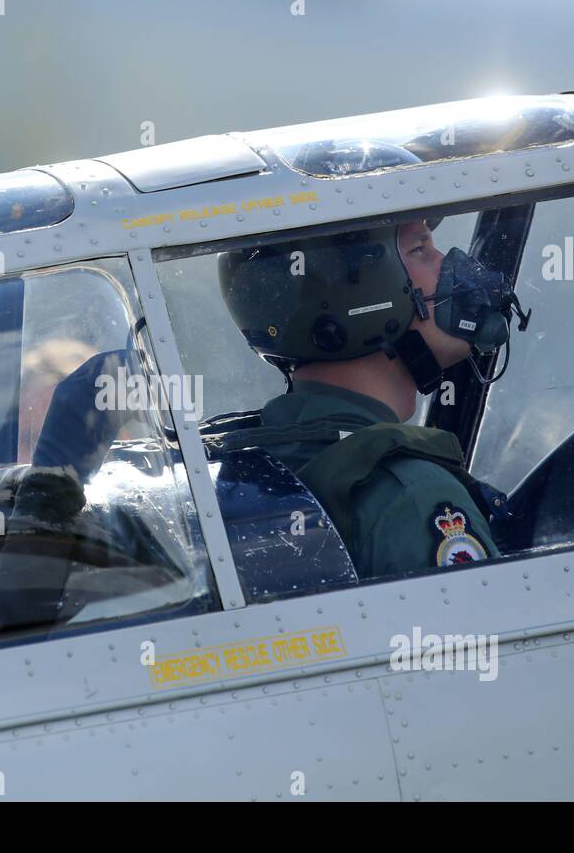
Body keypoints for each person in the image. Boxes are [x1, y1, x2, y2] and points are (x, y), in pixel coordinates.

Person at [216, 144, 530, 579]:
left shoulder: (259, 459)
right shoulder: (412, 496)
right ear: (360, 292)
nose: (448, 263)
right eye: (421, 249)